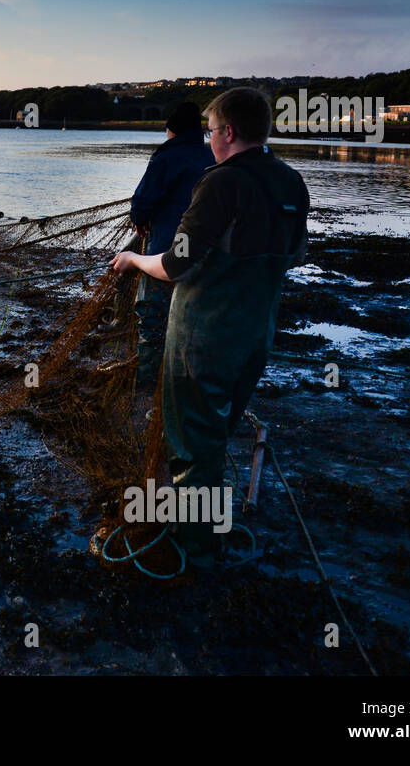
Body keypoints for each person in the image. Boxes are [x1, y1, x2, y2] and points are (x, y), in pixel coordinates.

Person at [110, 88, 310, 563]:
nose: (210, 138)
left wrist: (135, 259)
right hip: (255, 335)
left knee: (192, 446)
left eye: (212, 129)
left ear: (229, 132)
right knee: (215, 439)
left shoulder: (221, 183)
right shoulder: (292, 181)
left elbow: (177, 265)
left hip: (202, 336)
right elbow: (296, 255)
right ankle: (209, 529)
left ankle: (195, 551)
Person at [129, 102, 215, 385]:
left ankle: (148, 383)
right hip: (206, 254)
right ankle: (186, 380)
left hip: (167, 249)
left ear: (172, 131)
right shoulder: (213, 155)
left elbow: (141, 203)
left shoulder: (166, 156)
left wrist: (140, 218)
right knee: (193, 322)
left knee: (152, 316)